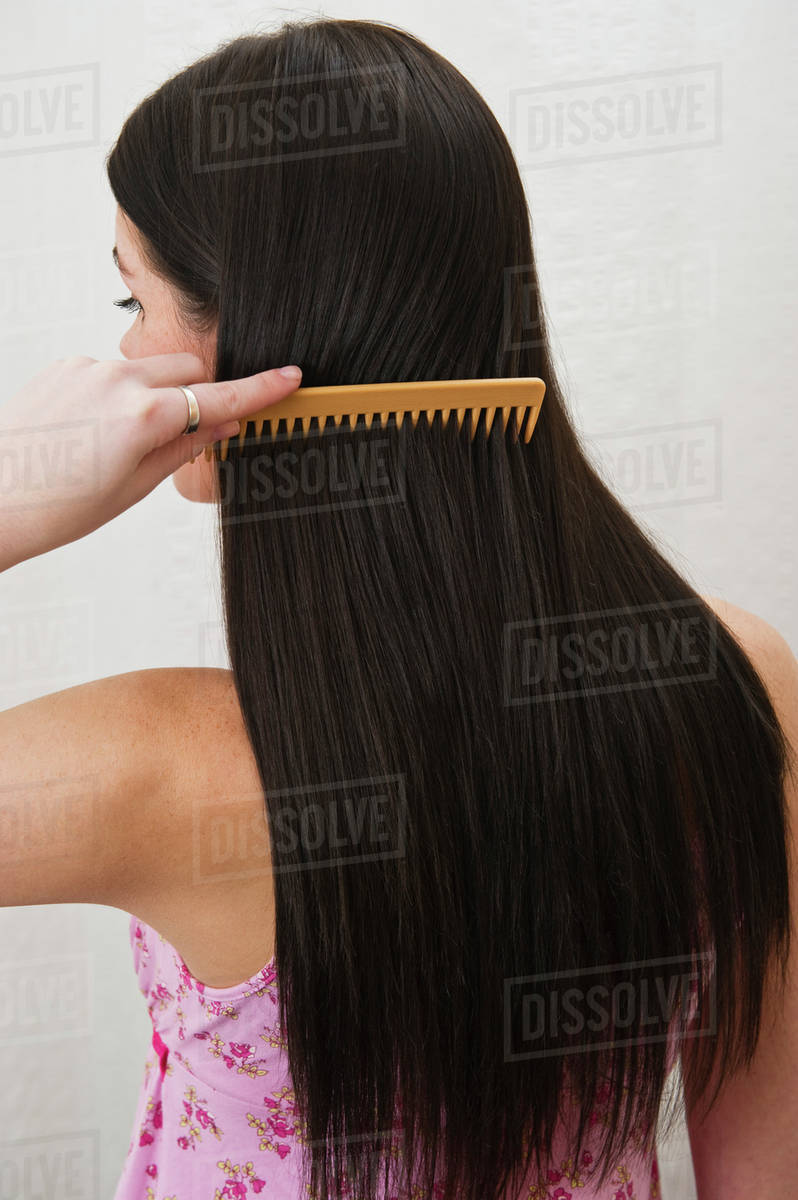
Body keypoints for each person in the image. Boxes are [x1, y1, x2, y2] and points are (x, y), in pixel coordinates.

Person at [1, 17, 797, 1200]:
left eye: (134, 301)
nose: (117, 354)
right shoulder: (734, 676)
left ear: (249, 348)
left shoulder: (145, 774)